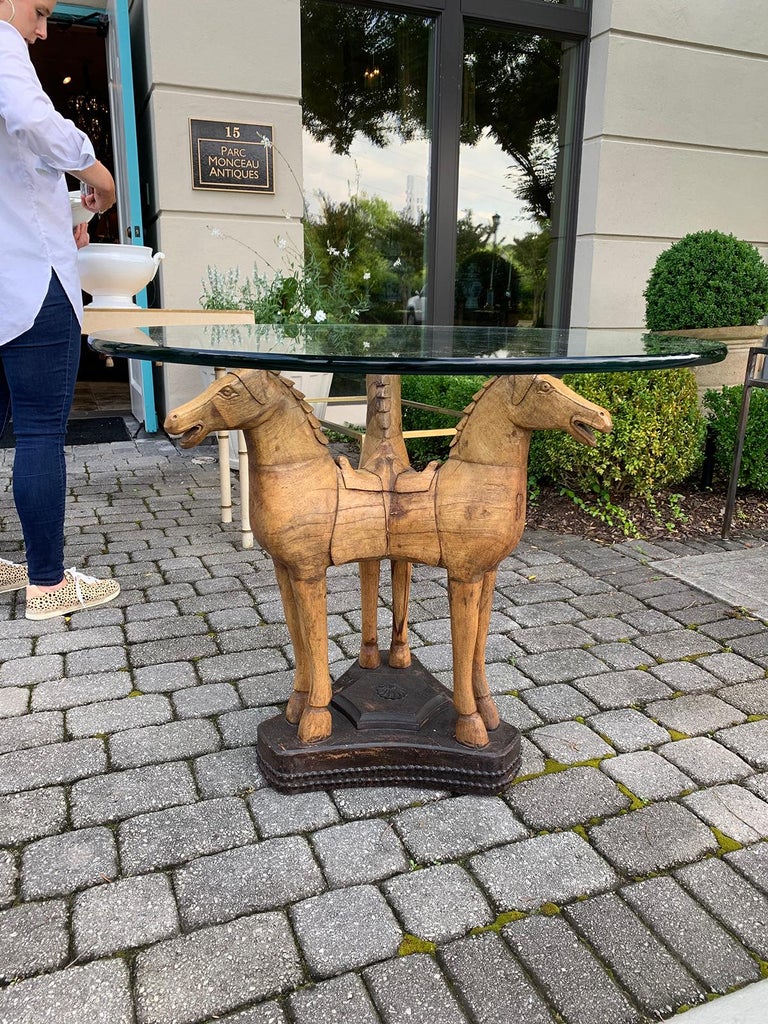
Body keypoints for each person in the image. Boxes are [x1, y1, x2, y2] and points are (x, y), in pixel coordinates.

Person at [0, 0, 121, 620]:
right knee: (42, 434)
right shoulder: (0, 44)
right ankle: (48, 583)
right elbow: (31, 118)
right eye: (40, 11)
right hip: (29, 282)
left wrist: (61, 212)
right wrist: (96, 168)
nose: (44, 30)